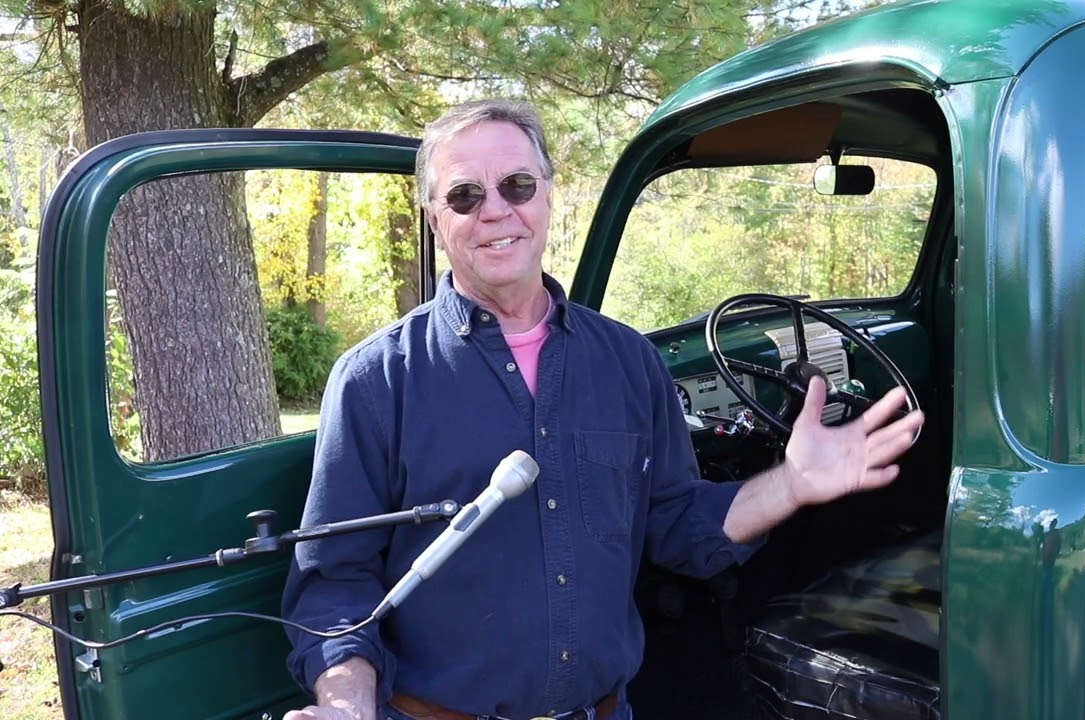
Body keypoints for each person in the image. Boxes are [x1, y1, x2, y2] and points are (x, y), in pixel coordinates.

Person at [281, 98, 924, 720]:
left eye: (517, 185)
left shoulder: (628, 361)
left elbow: (679, 527)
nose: (495, 212)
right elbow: (335, 587)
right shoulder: (376, 380)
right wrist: (344, 705)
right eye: (464, 196)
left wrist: (793, 483)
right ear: (433, 216)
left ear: (549, 194)